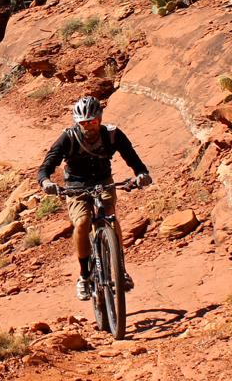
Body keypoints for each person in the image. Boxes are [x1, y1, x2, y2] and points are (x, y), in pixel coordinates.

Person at [37, 95, 152, 300]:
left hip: (104, 181)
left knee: (110, 216)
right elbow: (47, 165)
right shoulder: (69, 137)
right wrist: (46, 182)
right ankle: (84, 276)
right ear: (76, 122)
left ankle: (120, 269)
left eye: (92, 122)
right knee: (82, 222)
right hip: (75, 186)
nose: (88, 126)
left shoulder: (112, 135)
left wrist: (141, 174)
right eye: (83, 123)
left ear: (99, 119)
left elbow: (131, 157)